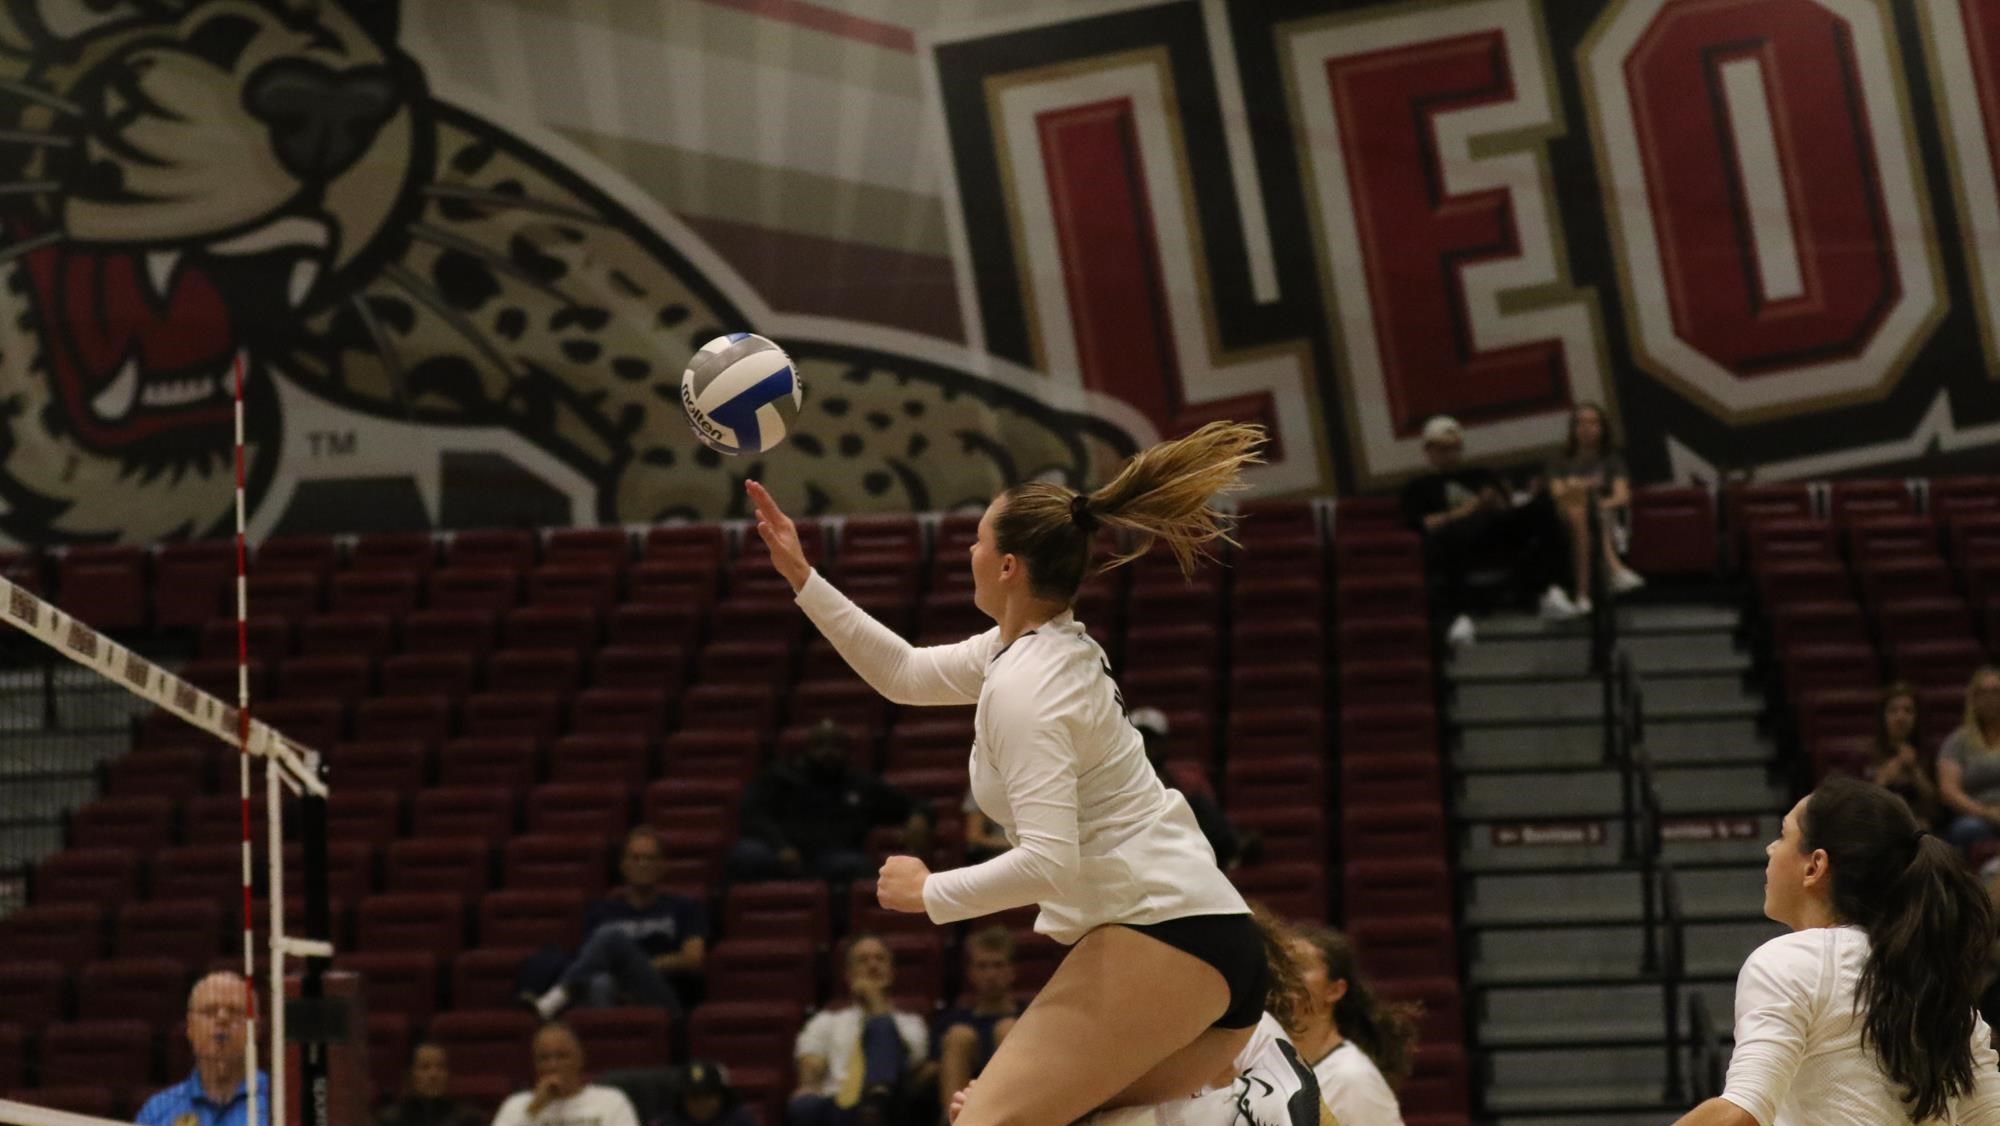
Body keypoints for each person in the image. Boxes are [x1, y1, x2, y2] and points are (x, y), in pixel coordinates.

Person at [747, 420, 1285, 1126]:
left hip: (1166, 934)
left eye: (978, 538)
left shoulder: (1027, 685)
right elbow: (905, 673)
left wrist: (929, 892)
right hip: (1198, 938)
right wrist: (803, 577)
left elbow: (1048, 863)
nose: (968, 549)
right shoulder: (1031, 649)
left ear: (1008, 567)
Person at [1670, 775, 2000, 1124]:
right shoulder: (1941, 990)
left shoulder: (1790, 961)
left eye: (1783, 835)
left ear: (1815, 866)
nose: (1770, 848)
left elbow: (1742, 1113)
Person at [1398, 414, 1571, 647]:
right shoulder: (1417, 487)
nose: (1450, 454)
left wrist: (1497, 501)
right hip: (1455, 542)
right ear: (1428, 452)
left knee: (1544, 506)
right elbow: (1424, 525)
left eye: (1454, 448)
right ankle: (1458, 616)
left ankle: (1546, 591)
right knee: (1452, 532)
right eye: (1443, 449)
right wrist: (1470, 509)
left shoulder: (1480, 475)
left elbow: (1505, 509)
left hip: (1493, 532)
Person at [524, 826, 707, 1020]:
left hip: (662, 998)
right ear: (623, 866)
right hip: (611, 989)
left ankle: (556, 997)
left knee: (610, 936)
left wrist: (634, 967)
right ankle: (605, 1042)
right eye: (635, 858)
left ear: (663, 866)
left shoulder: (684, 907)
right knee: (600, 982)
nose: (642, 864)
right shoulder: (601, 912)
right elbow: (590, 963)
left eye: (650, 858)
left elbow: (693, 959)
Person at [728, 720, 933, 886]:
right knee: (745, 854)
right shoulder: (781, 777)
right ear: (808, 749)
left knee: (859, 868)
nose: (828, 752)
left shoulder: (860, 784)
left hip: (832, 856)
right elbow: (752, 815)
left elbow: (912, 803)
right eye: (821, 745)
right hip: (781, 850)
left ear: (847, 751)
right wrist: (781, 846)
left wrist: (919, 816)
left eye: (835, 746)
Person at [789, 934, 934, 1126]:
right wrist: (809, 1085)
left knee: (881, 1027)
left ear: (892, 972)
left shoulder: (911, 1023)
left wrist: (874, 999)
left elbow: (911, 1062)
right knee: (804, 1105)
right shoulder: (825, 1021)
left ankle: (874, 1101)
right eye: (863, 960)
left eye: (880, 959)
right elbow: (810, 1068)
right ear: (848, 974)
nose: (872, 966)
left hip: (892, 1108)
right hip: (838, 1106)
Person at [1286, 926, 1419, 1126]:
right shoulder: (1273, 1065)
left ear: (1335, 990)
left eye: (1300, 967)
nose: (1285, 977)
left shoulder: (1353, 1079)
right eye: (1283, 967)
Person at [136, 971, 271, 1126]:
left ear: (256, 1029)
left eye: (235, 1011)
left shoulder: (281, 1102)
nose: (222, 1019)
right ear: (190, 1027)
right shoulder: (157, 1111)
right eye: (209, 1011)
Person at [1128, 708, 1255, 870]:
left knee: (1196, 804)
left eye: (1151, 740)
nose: (1146, 746)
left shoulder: (1188, 780)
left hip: (1179, 844)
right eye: (1140, 738)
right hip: (1138, 841)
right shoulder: (1116, 780)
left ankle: (1232, 847)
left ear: (1163, 744)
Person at [1544, 402, 1644, 606]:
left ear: (1602, 428)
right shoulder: (1560, 458)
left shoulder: (1612, 460)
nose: (1586, 428)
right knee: (1578, 507)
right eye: (1580, 423)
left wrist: (1593, 503)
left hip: (1598, 514)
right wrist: (1580, 487)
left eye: (1592, 423)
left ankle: (1582, 596)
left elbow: (1622, 496)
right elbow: (1557, 494)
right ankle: (1614, 568)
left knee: (1585, 514)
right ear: (1573, 429)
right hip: (1562, 517)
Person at [934, 927, 1024, 1116]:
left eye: (998, 965)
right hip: (962, 1105)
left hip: (1020, 1107)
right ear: (970, 972)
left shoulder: (1030, 1015)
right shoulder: (952, 1021)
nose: (991, 974)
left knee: (1007, 1029)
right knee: (959, 1037)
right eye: (982, 966)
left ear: (1012, 970)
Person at [491, 1022, 641, 1126]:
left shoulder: (611, 1102)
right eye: (544, 1058)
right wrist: (533, 1109)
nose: (552, 1065)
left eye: (562, 1056)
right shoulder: (516, 1106)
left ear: (580, 1059)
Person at [1933, 666, 2000, 852]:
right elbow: (1948, 791)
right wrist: (1987, 813)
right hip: (1977, 816)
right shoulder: (1958, 741)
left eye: (1996, 691)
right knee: (1967, 829)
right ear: (1973, 699)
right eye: (1983, 693)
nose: (1990, 698)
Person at [1867, 681, 1943, 832]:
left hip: (1922, 827)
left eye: (1908, 710)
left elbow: (1938, 804)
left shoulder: (1929, 752)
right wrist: (1885, 777)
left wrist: (1915, 770)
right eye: (1893, 710)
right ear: (1883, 716)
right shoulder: (1868, 753)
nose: (1900, 716)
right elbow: (1861, 805)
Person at [376, 1043, 485, 1126]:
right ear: (410, 1075)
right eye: (425, 1067)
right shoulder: (390, 1121)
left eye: (440, 1067)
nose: (434, 1075)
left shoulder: (469, 1120)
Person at [660, 1062, 755, 1126]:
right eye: (694, 1097)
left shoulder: (740, 1120)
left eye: (708, 1096)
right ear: (682, 1100)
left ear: (721, 1096)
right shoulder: (669, 1122)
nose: (702, 1104)